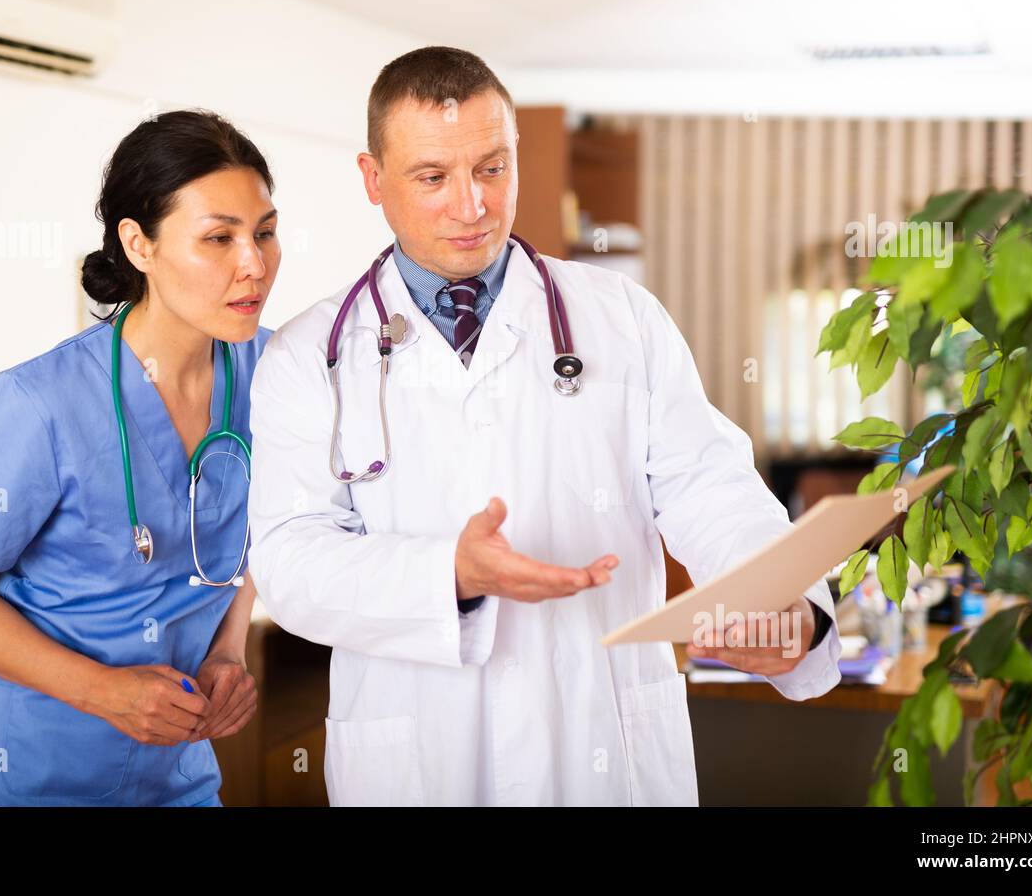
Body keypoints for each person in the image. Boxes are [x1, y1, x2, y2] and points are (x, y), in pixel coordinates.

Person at [247, 47, 841, 806]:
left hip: (604, 742)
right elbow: (292, 563)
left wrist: (787, 605)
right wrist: (446, 576)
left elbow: (711, 487)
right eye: (433, 177)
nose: (472, 205)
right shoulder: (309, 355)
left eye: (492, 168)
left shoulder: (621, 318)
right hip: (420, 760)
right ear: (374, 180)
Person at [0, 109, 278, 806]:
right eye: (218, 238)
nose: (253, 265)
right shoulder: (40, 402)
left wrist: (229, 647)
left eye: (264, 232)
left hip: (178, 776)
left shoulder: (274, 376)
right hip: (30, 774)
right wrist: (102, 691)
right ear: (138, 244)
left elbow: (266, 526)